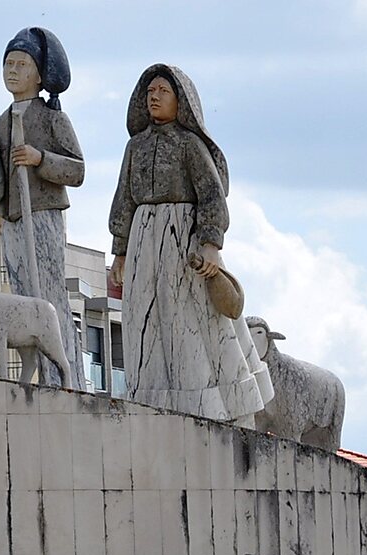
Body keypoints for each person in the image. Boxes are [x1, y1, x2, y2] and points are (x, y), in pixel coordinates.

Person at [107, 64, 269, 424]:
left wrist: (210, 242)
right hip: (143, 240)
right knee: (147, 320)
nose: (154, 97)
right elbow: (124, 199)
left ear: (181, 101)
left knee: (190, 318)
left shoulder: (189, 144)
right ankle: (151, 393)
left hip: (182, 237)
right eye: (150, 91)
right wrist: (120, 248)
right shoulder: (135, 146)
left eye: (163, 90)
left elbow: (212, 195)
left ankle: (206, 398)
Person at [0, 27, 86, 390]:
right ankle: (37, 376)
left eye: (21, 64)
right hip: (12, 217)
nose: (12, 70)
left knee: (49, 300)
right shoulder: (1, 121)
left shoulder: (54, 119)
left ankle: (66, 379)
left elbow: (77, 169)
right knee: (25, 299)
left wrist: (41, 159)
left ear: (39, 75)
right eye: (8, 63)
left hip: (42, 215)